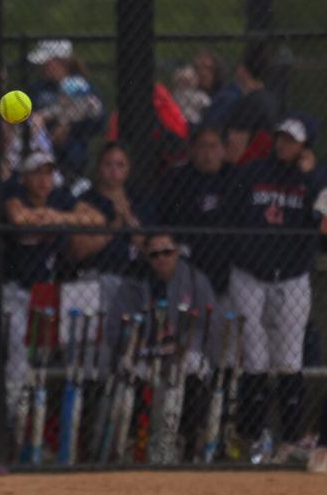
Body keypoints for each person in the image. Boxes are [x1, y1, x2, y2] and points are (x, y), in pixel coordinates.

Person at [223, 116, 325, 462]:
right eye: (281, 138)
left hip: (293, 277)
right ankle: (252, 436)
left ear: (305, 146)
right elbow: (232, 214)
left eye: (292, 140)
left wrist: (310, 175)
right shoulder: (252, 172)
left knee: (288, 359)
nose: (284, 144)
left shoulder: (313, 178)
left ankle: (291, 440)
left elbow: (321, 217)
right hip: (250, 274)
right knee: (254, 357)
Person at [2, 151, 105, 415]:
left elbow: (96, 218)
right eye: (37, 173)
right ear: (25, 177)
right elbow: (18, 217)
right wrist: (42, 217)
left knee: (71, 348)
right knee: (18, 347)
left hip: (47, 293)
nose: (43, 180)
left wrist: (59, 218)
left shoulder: (60, 198)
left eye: (48, 173)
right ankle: (14, 416)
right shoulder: (14, 191)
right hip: (14, 290)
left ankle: (54, 419)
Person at [105, 234, 218, 461]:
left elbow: (208, 327)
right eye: (155, 255)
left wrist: (184, 344)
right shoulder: (133, 283)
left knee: (197, 367)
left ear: (177, 252)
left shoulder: (196, 280)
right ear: (147, 257)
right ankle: (131, 441)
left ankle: (187, 440)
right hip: (145, 354)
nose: (162, 259)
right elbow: (115, 331)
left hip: (182, 353)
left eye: (167, 252)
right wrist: (139, 340)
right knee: (128, 369)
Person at [154, 127, 237, 302]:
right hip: (188, 262)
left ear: (223, 150)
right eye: (202, 146)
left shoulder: (235, 178)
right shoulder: (177, 179)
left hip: (227, 264)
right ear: (191, 150)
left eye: (214, 146)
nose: (208, 153)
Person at [69, 143, 154, 311]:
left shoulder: (139, 201)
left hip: (133, 278)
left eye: (120, 165)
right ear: (99, 168)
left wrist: (129, 219)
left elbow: (149, 249)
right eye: (108, 164)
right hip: (95, 277)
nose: (114, 172)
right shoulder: (86, 201)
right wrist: (114, 227)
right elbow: (77, 251)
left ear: (128, 169)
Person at [26, 39, 105, 180]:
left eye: (47, 62)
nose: (43, 66)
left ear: (59, 62)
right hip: (42, 154)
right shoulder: (37, 88)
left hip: (72, 156)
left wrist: (70, 128)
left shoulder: (82, 87)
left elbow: (99, 121)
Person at [223, 44, 279, 166]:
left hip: (245, 169)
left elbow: (235, 149)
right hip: (262, 166)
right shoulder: (270, 99)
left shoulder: (247, 102)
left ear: (243, 70)